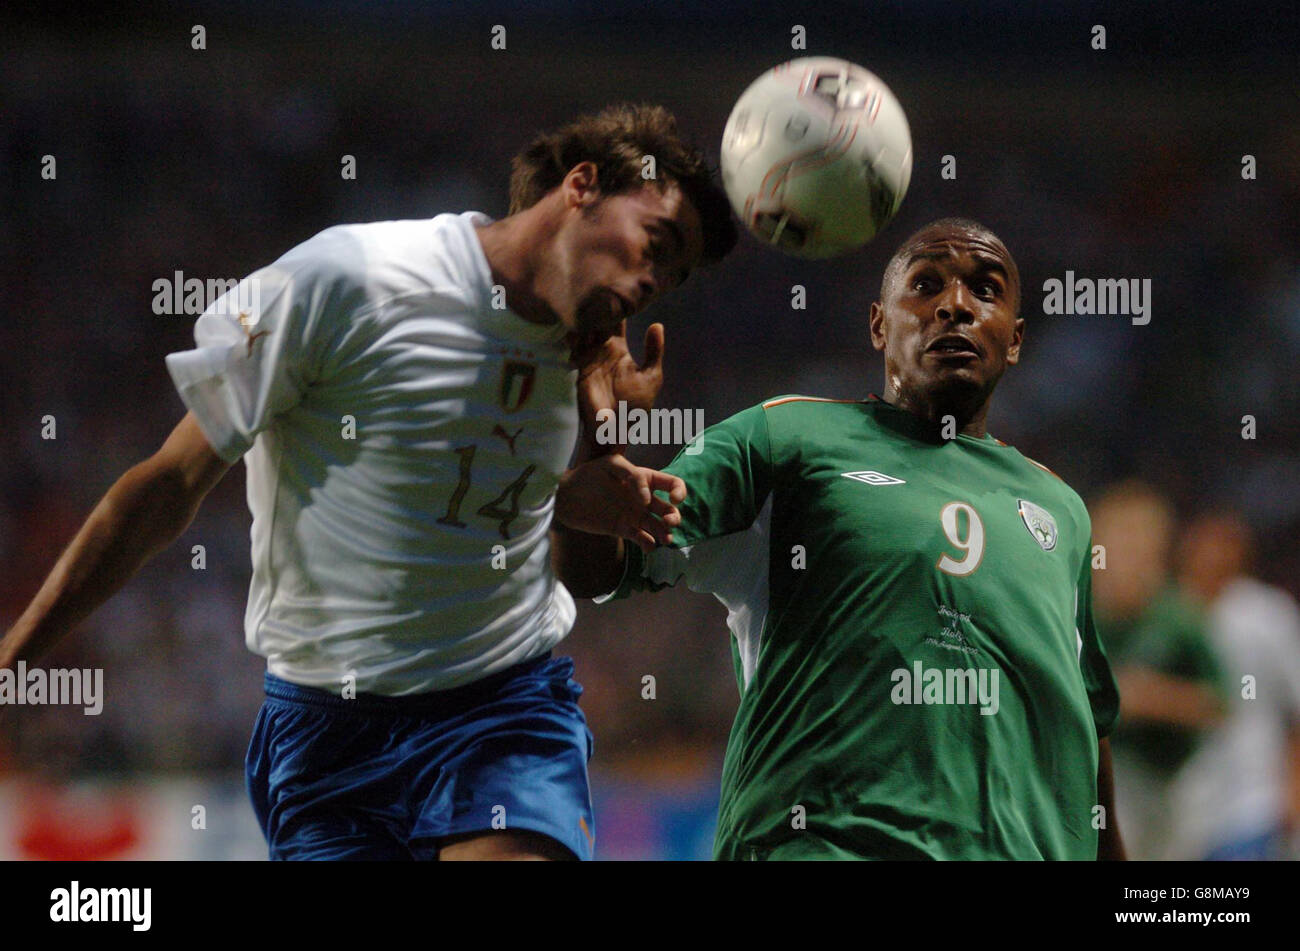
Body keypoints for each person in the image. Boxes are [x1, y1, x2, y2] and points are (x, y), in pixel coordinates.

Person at [0, 103, 736, 861]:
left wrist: (603, 443)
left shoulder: (585, 358)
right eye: (657, 243)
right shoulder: (348, 279)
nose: (653, 282)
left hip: (503, 713)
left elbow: (585, 574)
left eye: (672, 277)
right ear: (581, 185)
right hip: (327, 734)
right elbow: (166, 487)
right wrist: (15, 656)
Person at [553, 217, 1125, 860]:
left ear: (1014, 340)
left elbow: (1084, 722)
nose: (956, 305)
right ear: (880, 325)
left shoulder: (1061, 510)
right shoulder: (784, 439)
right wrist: (597, 451)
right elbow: (604, 569)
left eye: (985, 290)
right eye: (926, 285)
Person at [1088, 481, 1225, 859]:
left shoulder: (1179, 617)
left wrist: (1153, 697)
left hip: (1170, 785)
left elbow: (1220, 705)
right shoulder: (1074, 608)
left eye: (1140, 544)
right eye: (1120, 542)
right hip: (1096, 779)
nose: (1129, 556)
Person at [1171, 512, 1300, 860]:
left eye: (1225, 546)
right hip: (1181, 803)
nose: (1214, 556)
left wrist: (1294, 789)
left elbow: (1296, 709)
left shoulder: (1268, 615)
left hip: (1253, 798)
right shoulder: (1166, 612)